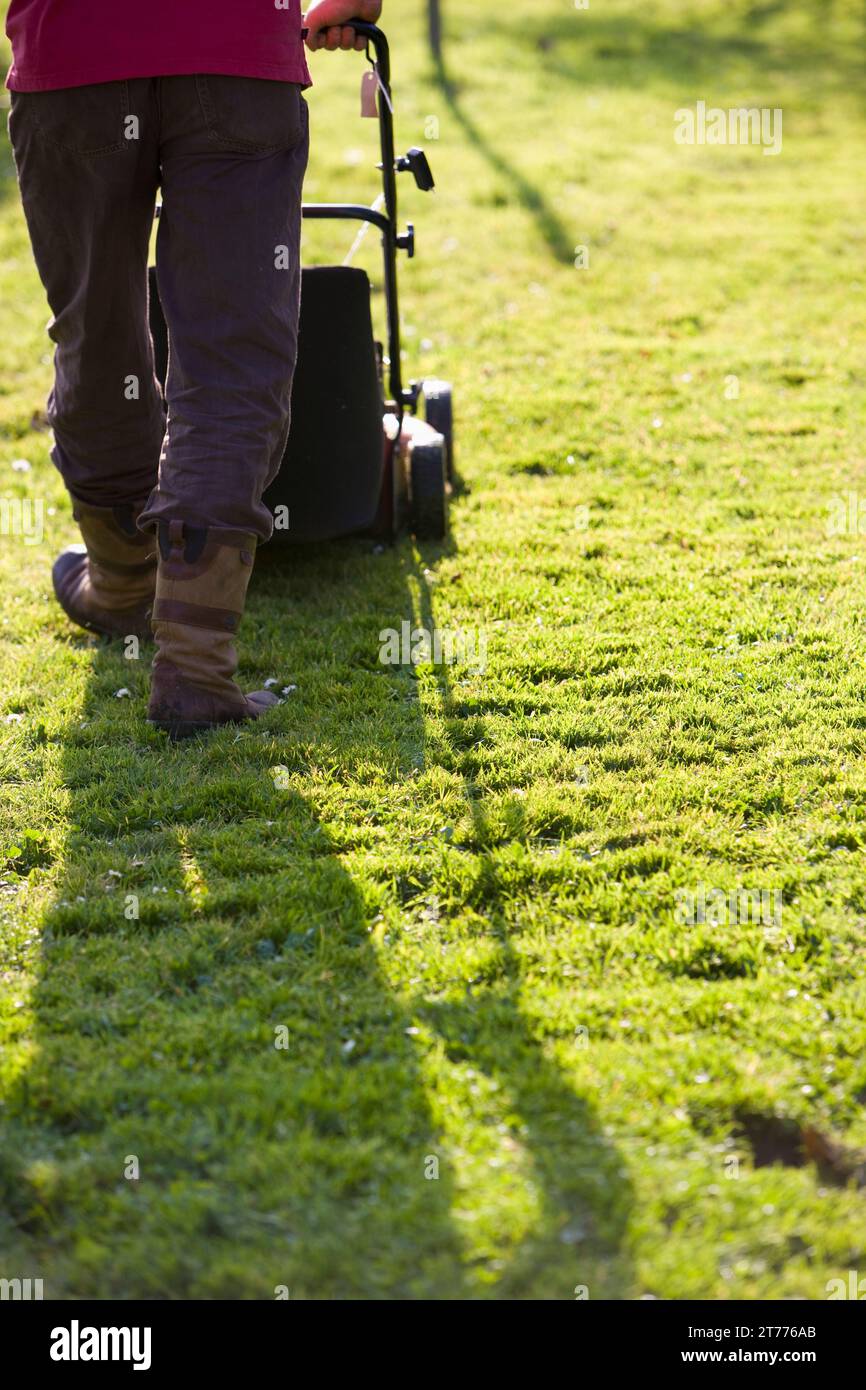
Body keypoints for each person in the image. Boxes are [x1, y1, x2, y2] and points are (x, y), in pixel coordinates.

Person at [5, 0, 383, 738]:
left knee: (96, 329)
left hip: (72, 50)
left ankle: (121, 582)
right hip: (233, 48)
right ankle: (194, 664)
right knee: (232, 355)